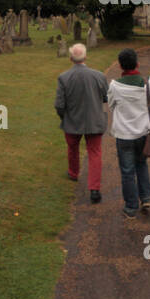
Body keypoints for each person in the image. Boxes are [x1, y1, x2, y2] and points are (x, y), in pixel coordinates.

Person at [54, 42, 110, 204]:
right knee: (95, 152)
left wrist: (64, 117)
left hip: (73, 121)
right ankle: (94, 188)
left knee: (72, 148)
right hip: (94, 120)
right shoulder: (99, 75)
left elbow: (59, 104)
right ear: (85, 57)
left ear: (71, 58)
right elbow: (106, 97)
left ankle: (73, 173)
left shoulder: (64, 77)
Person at [107, 47, 150, 217]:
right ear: (137, 63)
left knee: (127, 171)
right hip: (143, 132)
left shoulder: (114, 86)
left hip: (124, 135)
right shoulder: (148, 84)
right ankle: (145, 197)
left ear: (121, 66)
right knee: (141, 164)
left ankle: (131, 207)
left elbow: (111, 105)